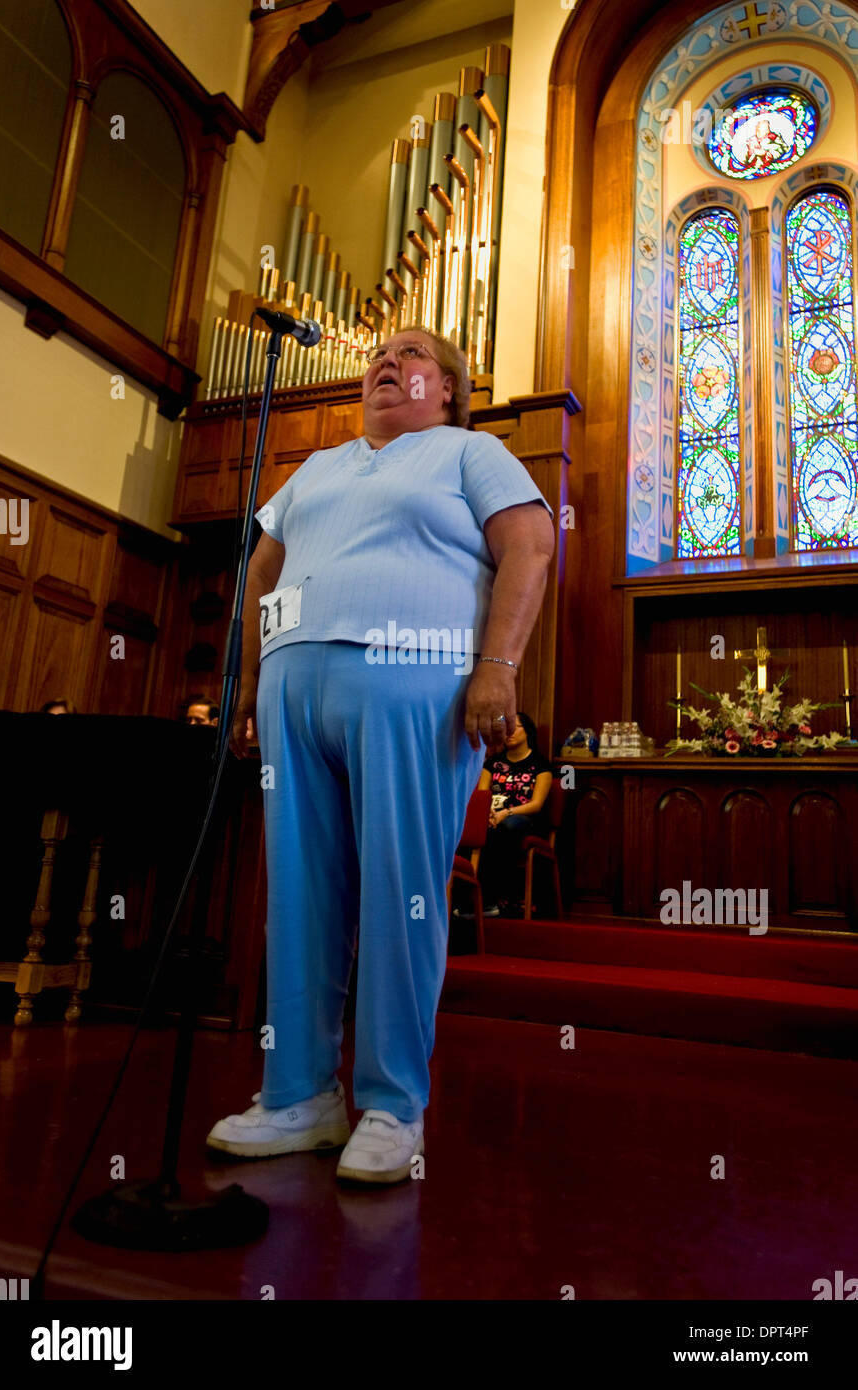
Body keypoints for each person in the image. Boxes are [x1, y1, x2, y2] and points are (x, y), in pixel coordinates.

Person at [206, 324, 555, 1184]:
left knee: (399, 893)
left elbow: (530, 547)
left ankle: (393, 1105)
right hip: (294, 690)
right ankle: (297, 1095)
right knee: (297, 893)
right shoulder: (316, 467)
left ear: (448, 389)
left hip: (414, 680)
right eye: (378, 358)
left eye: (412, 357)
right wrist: (249, 683)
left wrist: (497, 666)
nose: (387, 365)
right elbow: (261, 576)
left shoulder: (467, 452)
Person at [476, 711, 553, 917]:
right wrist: (489, 813)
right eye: (505, 727)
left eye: (514, 727)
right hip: (493, 818)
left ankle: (493, 899)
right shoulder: (492, 764)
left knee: (506, 827)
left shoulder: (541, 765)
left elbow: (536, 805)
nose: (508, 732)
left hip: (524, 820)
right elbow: (482, 796)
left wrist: (506, 813)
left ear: (527, 732)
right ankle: (474, 900)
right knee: (474, 830)